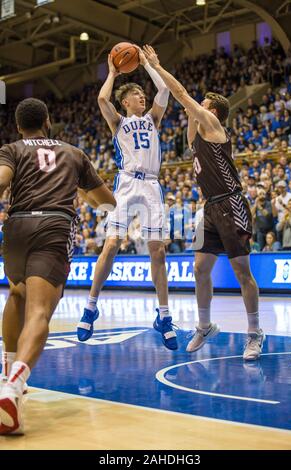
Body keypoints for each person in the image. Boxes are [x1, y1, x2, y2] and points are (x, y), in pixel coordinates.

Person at [0, 98, 116, 435]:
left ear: (20, 126)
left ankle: (6, 375)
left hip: (16, 227)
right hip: (54, 226)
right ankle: (14, 386)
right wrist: (82, 191)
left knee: (17, 296)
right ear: (48, 120)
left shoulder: (13, 148)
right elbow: (106, 201)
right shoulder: (73, 153)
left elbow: (2, 181)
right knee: (39, 312)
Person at [143, 44, 264, 360]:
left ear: (212, 112)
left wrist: (156, 66)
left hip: (232, 204)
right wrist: (186, 111)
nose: (196, 106)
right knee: (200, 268)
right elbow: (186, 112)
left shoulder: (214, 126)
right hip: (210, 207)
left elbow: (182, 95)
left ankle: (254, 333)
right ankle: (205, 325)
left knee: (242, 272)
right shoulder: (195, 137)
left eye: (203, 104)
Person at [76, 50, 178, 350]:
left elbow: (163, 89)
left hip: (152, 186)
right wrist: (112, 73)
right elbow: (102, 101)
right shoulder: (118, 122)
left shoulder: (153, 119)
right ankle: (91, 307)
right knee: (111, 245)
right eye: (136, 95)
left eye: (142, 95)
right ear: (126, 102)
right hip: (127, 183)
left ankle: (164, 315)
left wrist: (147, 65)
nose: (142, 97)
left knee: (158, 252)